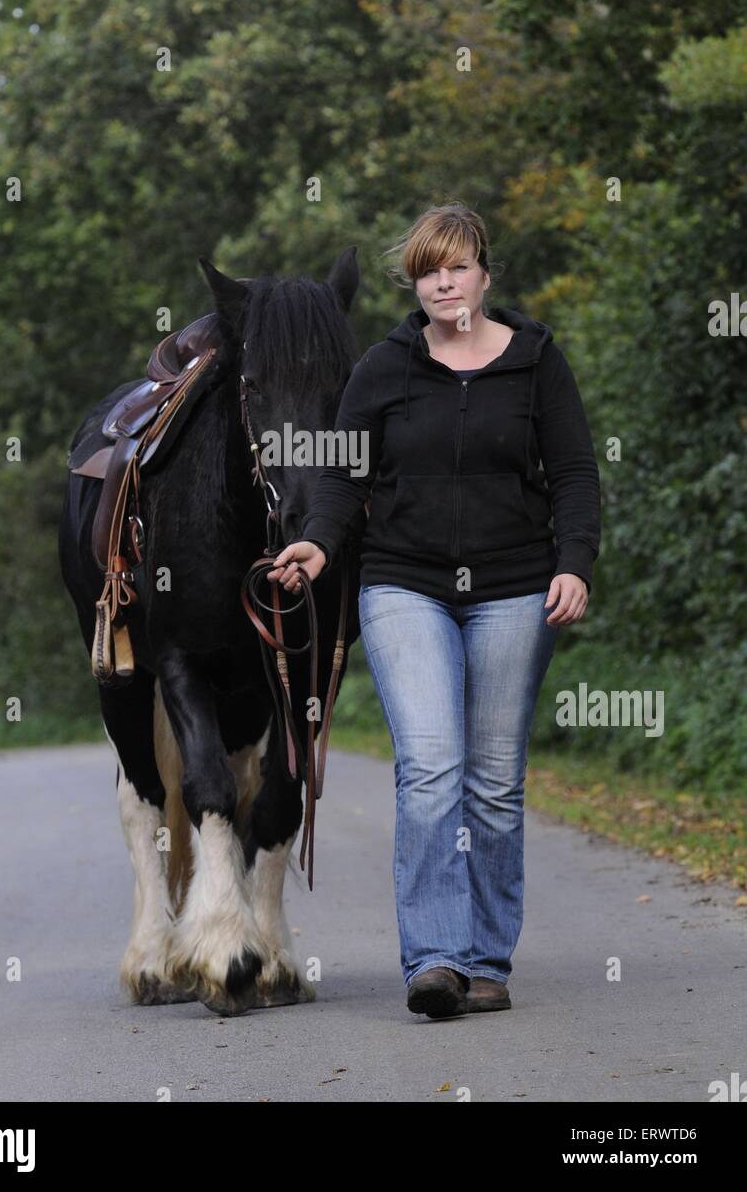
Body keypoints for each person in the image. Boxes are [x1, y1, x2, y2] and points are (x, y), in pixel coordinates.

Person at [267, 202, 601, 1021]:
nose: (442, 282)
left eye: (455, 266)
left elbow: (573, 473)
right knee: (428, 768)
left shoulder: (534, 362)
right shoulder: (385, 365)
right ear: (413, 283)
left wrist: (574, 565)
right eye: (426, 271)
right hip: (403, 584)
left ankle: (486, 961)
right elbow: (344, 473)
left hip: (516, 588)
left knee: (491, 781)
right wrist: (316, 542)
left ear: (484, 273)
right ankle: (436, 960)